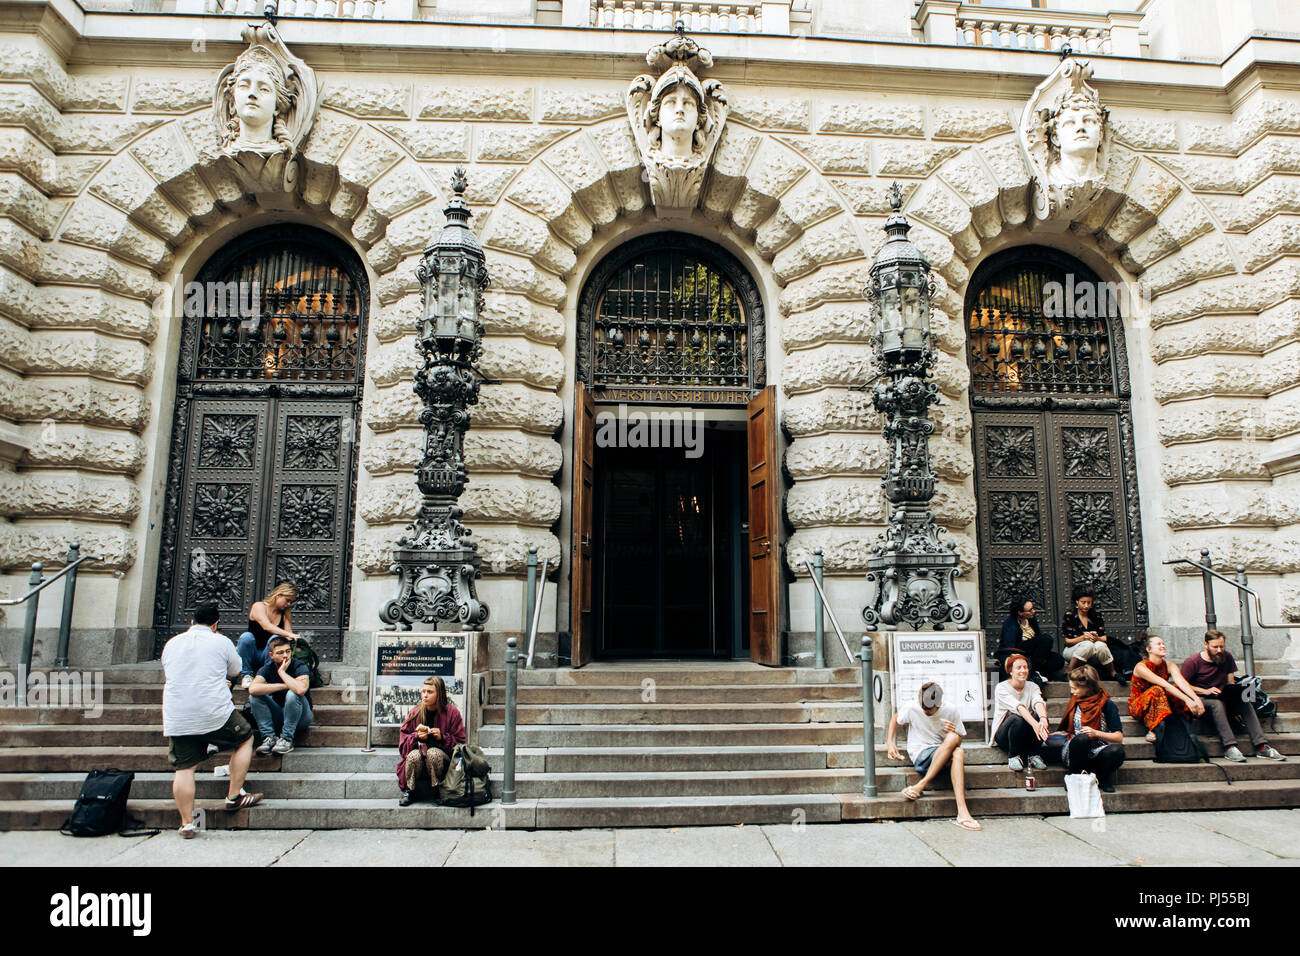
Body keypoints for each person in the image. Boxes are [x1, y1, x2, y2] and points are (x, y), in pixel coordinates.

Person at [161, 600, 263, 838]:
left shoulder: (172, 643)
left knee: (184, 768)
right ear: (216, 624)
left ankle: (187, 823)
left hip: (178, 712)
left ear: (191, 621)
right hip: (213, 710)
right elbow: (236, 669)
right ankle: (234, 795)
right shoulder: (221, 641)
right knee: (245, 737)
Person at [886, 682, 981, 830]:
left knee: (957, 747)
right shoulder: (912, 707)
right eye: (924, 708)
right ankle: (925, 787)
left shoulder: (950, 710)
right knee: (954, 742)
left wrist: (953, 731)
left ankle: (962, 812)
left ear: (940, 703)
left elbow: (959, 740)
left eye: (930, 710)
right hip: (921, 755)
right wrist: (890, 743)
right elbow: (895, 719)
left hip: (942, 756)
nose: (926, 712)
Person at [1182, 630, 1286, 763]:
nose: (1219, 650)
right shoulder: (1192, 662)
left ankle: (1262, 746)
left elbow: (1230, 682)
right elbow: (1181, 686)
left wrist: (1235, 698)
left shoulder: (1227, 657)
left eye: (1222, 646)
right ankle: (1229, 747)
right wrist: (1205, 691)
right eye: (1215, 647)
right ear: (1206, 644)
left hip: (1223, 698)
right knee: (1216, 704)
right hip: (1202, 702)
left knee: (1245, 701)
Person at [396, 675, 467, 807]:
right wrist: (416, 736)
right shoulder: (415, 712)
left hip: (442, 762)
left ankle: (437, 790)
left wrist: (443, 737)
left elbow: (460, 745)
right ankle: (409, 790)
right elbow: (403, 744)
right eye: (423, 691)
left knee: (433, 753)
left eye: (430, 692)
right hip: (419, 759)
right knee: (413, 756)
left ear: (439, 694)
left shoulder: (452, 713)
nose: (425, 695)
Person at [1059, 664, 1126, 792]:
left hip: (1098, 749)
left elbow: (1119, 737)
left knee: (1117, 751)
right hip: (1075, 751)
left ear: (1088, 688)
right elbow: (1068, 729)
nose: (1072, 692)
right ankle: (1074, 777)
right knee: (1082, 739)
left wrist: (1096, 733)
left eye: (1075, 688)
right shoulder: (1075, 701)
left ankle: (1103, 777)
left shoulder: (1107, 705)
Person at [1129, 632, 1204, 743]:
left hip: (1161, 701)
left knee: (1176, 689)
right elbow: (1164, 684)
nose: (1163, 646)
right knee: (1157, 689)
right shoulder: (1141, 666)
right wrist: (1187, 700)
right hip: (1139, 705)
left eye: (1163, 643)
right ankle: (1153, 728)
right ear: (1149, 649)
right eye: (1159, 644)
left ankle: (1183, 724)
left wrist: (1196, 700)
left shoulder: (1169, 665)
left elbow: (1181, 682)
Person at [247, 636, 314, 756]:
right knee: (255, 696)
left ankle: (286, 739)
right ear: (271, 655)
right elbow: (252, 689)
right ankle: (269, 737)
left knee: (293, 693)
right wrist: (284, 685)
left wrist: (282, 672)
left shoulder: (299, 666)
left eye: (288, 651)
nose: (285, 656)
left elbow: (300, 689)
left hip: (301, 717)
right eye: (280, 652)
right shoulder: (267, 669)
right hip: (280, 715)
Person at [990, 654, 1049, 773]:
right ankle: (1013, 756)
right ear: (1010, 671)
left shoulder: (1033, 686)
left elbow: (1038, 701)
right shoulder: (1001, 688)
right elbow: (1019, 707)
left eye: (1025, 667)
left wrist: (1043, 719)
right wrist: (1035, 724)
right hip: (1004, 735)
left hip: (1025, 734)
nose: (1023, 671)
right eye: (1019, 668)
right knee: (1017, 718)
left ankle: (1034, 755)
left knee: (1039, 716)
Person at [236, 583, 299, 687]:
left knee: (275, 639)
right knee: (246, 637)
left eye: (290, 602)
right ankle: (246, 675)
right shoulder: (259, 606)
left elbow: (289, 636)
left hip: (270, 655)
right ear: (278, 595)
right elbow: (266, 626)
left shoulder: (284, 613)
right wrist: (287, 633)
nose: (288, 604)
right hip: (252, 653)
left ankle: (266, 675)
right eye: (287, 600)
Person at [997, 593, 1064, 685]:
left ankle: (1037, 672)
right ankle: (1033, 673)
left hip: (1035, 654)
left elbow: (1037, 637)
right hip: (1020, 651)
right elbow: (1010, 647)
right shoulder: (1010, 625)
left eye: (1033, 608)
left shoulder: (1031, 619)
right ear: (1020, 613)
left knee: (1058, 659)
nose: (1034, 611)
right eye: (1030, 610)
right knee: (1046, 639)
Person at [1060, 585, 1116, 681]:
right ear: (1077, 602)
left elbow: (1104, 639)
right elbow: (1068, 642)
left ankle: (1113, 672)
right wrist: (1083, 638)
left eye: (1089, 603)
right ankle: (1069, 671)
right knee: (1087, 644)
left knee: (1101, 646)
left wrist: (1096, 638)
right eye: (1083, 602)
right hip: (1072, 650)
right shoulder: (1070, 616)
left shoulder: (1096, 615)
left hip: (1094, 649)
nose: (1086, 606)